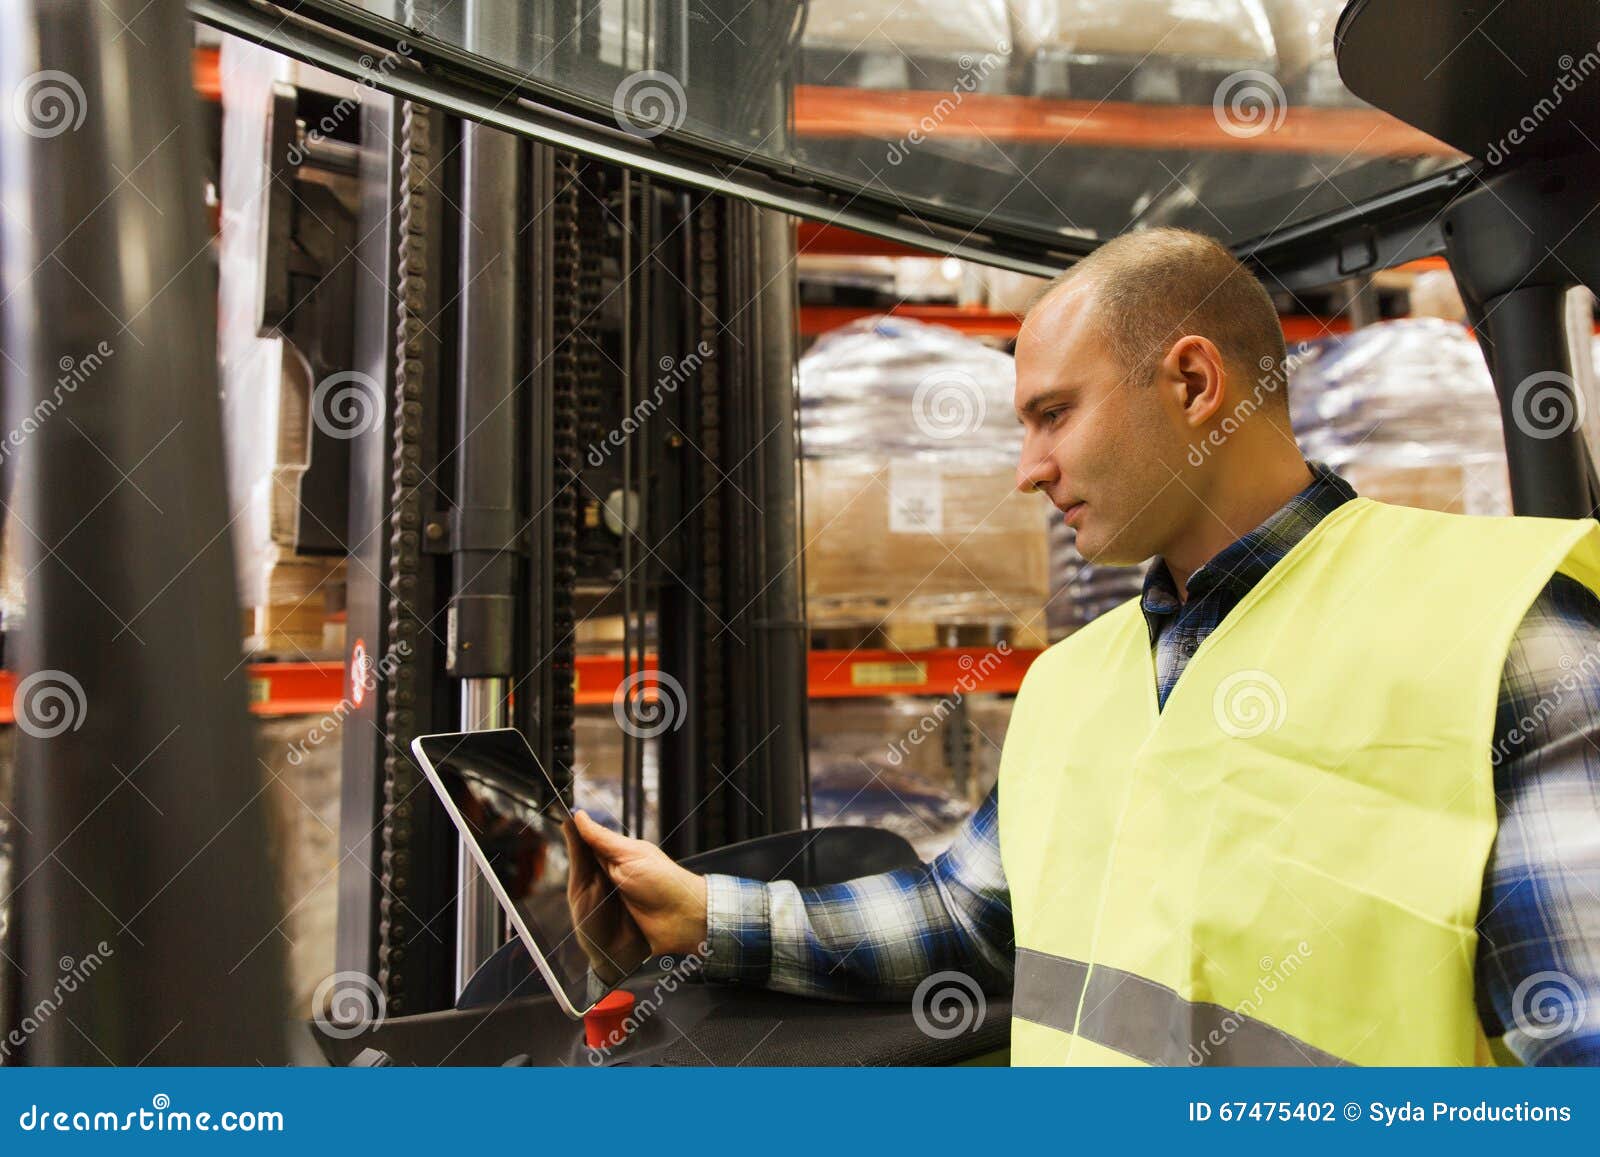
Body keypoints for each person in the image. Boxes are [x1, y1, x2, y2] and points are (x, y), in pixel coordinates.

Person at [571, 228, 1600, 1066]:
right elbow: (964, 917)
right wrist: (702, 913)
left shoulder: (1500, 629)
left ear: (1193, 384)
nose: (1028, 469)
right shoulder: (1075, 679)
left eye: (1053, 415)